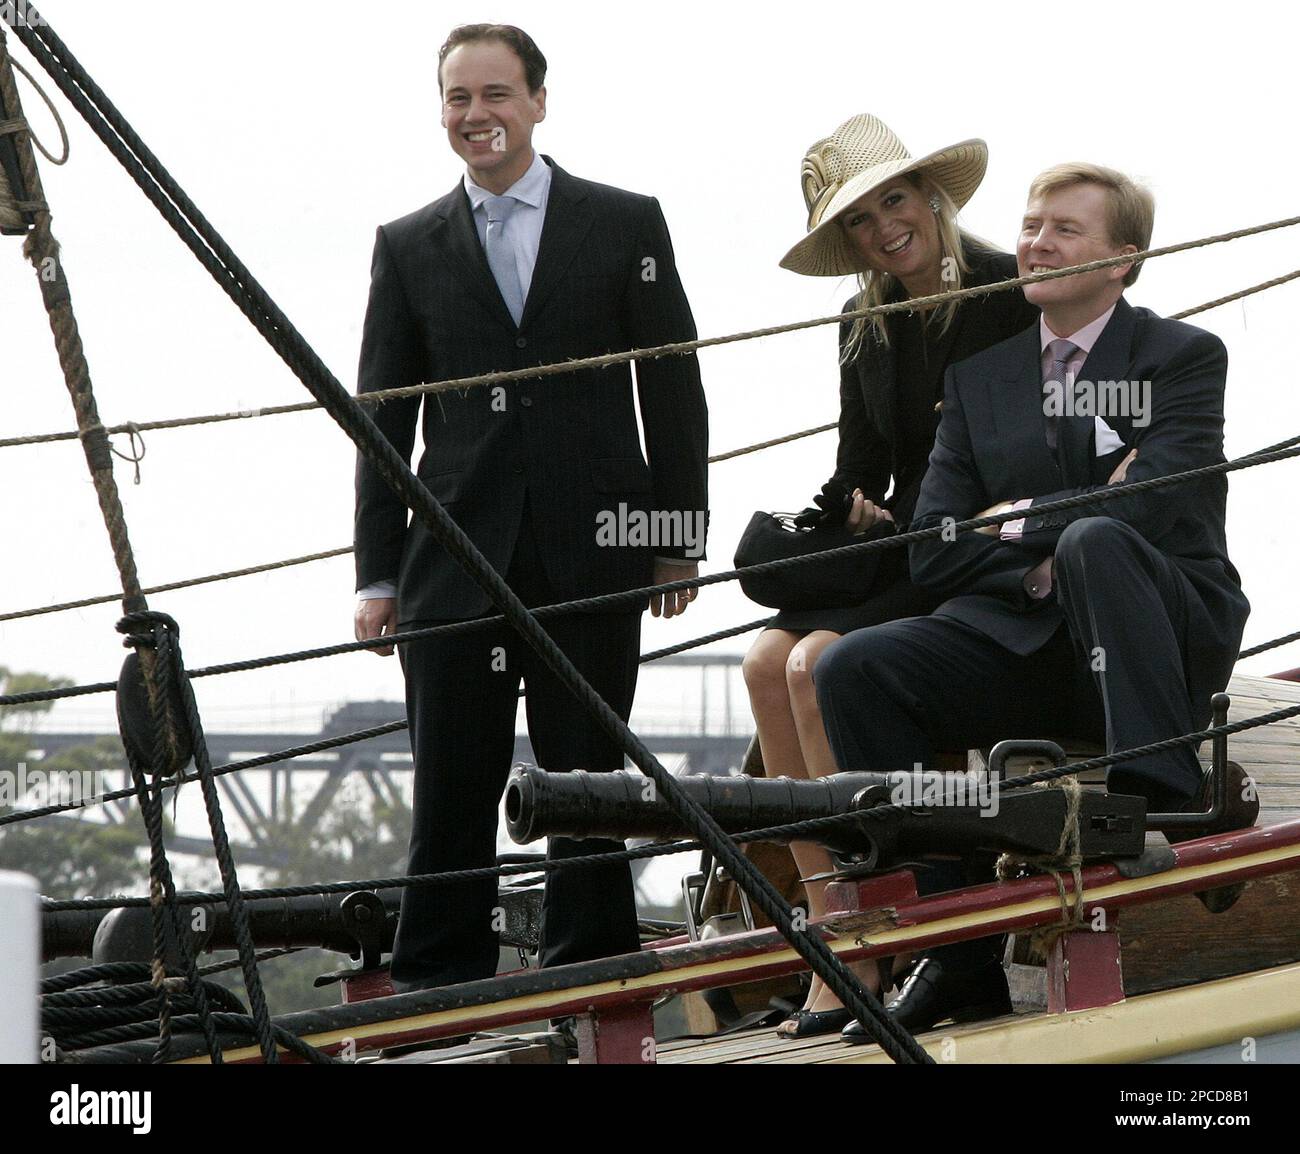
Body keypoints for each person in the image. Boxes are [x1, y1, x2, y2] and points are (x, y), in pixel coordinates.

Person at [816, 162, 1256, 1042]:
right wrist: (1034, 561)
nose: (1035, 243)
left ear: (1124, 259)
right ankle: (959, 943)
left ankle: (1154, 796)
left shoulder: (1182, 357)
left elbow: (1154, 504)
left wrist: (1013, 520)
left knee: (1100, 543)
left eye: (1064, 229)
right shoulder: (981, 379)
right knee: (853, 666)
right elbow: (932, 547)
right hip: (1028, 638)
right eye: (1028, 225)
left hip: (1158, 632)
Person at [353, 24, 709, 991]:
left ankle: (594, 975)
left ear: (539, 101)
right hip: (452, 563)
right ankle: (435, 989)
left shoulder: (627, 222)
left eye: (496, 95)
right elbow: (383, 425)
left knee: (591, 785)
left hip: (597, 550)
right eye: (458, 98)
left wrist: (676, 538)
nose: (478, 116)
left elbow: (672, 386)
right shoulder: (406, 245)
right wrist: (377, 576)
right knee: (451, 792)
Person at [740, 113, 1037, 1038]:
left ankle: (874, 946)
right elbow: (858, 461)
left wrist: (915, 515)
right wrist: (847, 507)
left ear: (931, 197)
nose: (882, 230)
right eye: (859, 221)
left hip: (965, 545)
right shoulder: (860, 319)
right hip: (895, 544)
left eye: (893, 201)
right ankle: (830, 938)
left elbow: (1023, 456)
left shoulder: (1002, 291)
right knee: (761, 663)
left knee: (812, 663)